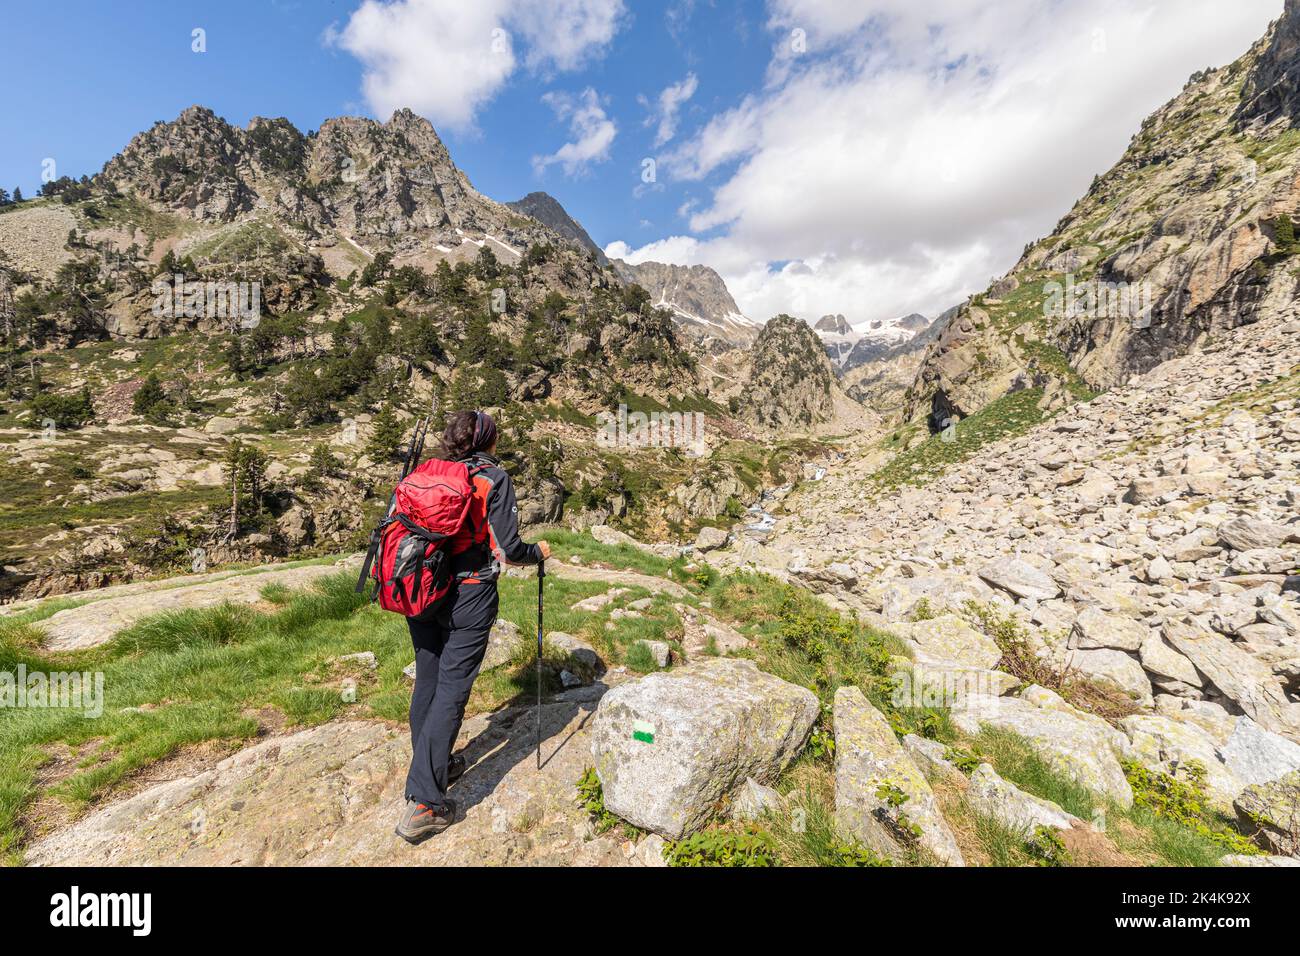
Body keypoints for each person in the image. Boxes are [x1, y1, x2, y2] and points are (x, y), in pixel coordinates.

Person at [394, 410, 550, 844]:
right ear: (487, 441)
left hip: (421, 588)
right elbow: (508, 548)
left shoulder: (429, 471)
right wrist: (538, 551)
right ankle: (426, 801)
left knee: (427, 680)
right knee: (452, 687)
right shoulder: (492, 477)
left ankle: (433, 763)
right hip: (469, 592)